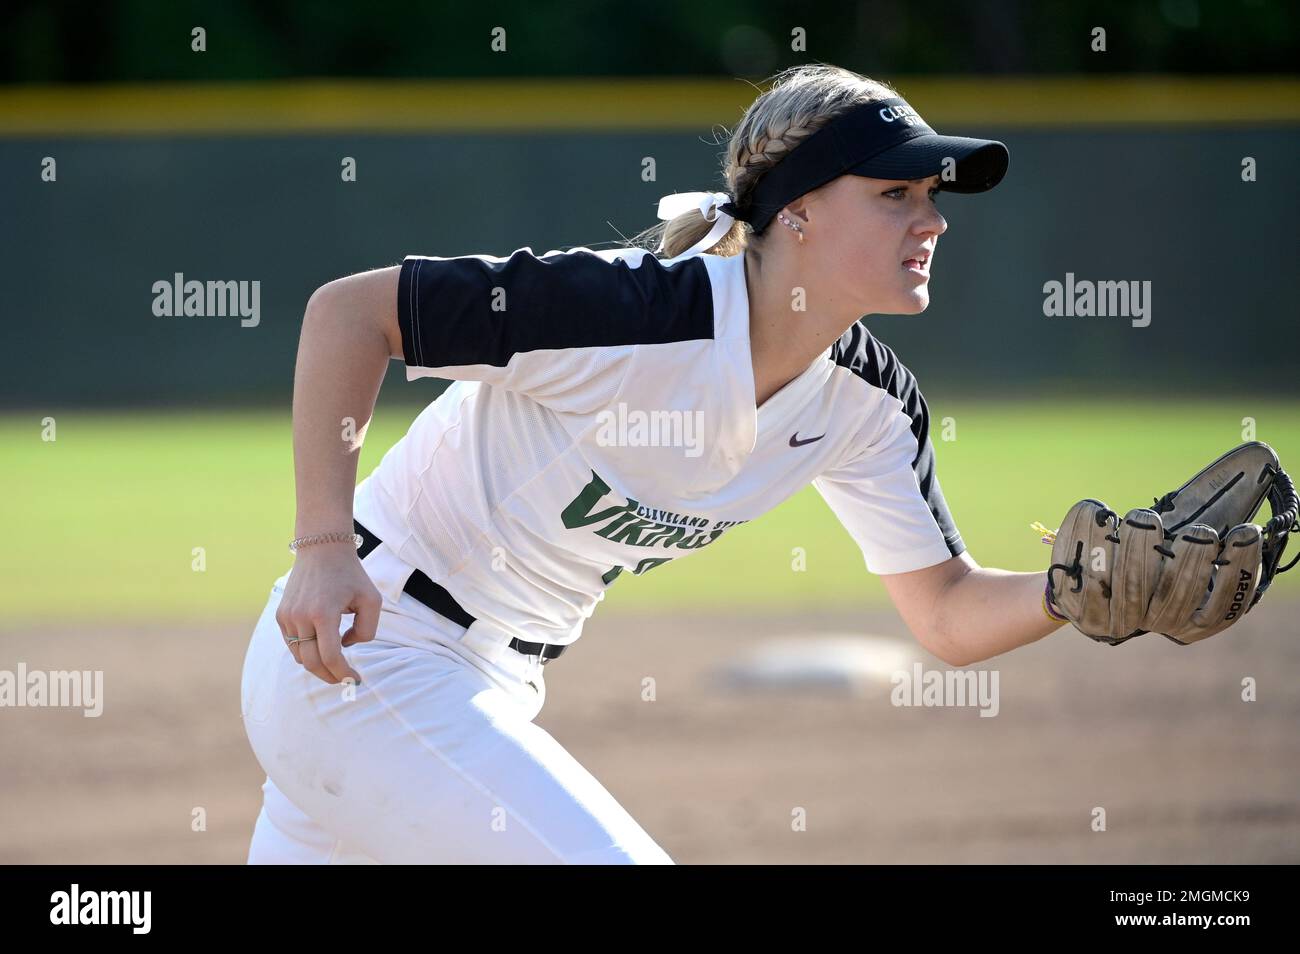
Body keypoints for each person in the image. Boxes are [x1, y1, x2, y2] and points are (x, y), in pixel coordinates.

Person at [240, 63, 1060, 865]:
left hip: (483, 690)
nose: (932, 222)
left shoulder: (868, 405)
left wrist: (1076, 590)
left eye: (931, 197)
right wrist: (323, 548)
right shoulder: (633, 311)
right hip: (369, 655)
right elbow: (348, 314)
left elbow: (947, 613)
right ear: (800, 209)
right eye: (896, 195)